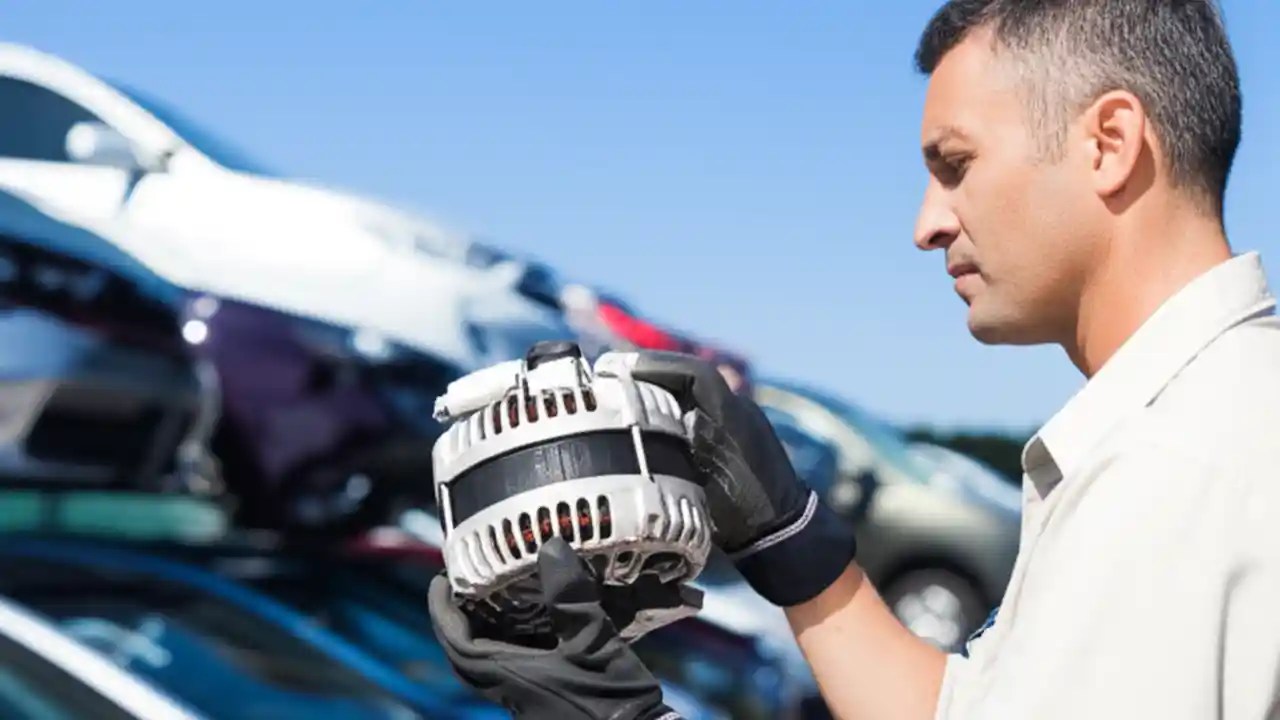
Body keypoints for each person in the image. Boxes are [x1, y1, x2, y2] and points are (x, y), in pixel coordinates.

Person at [430, 0, 1280, 717]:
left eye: (955, 165)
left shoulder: (1178, 466)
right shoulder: (1219, 417)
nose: (927, 223)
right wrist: (794, 547)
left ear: (1110, 143)